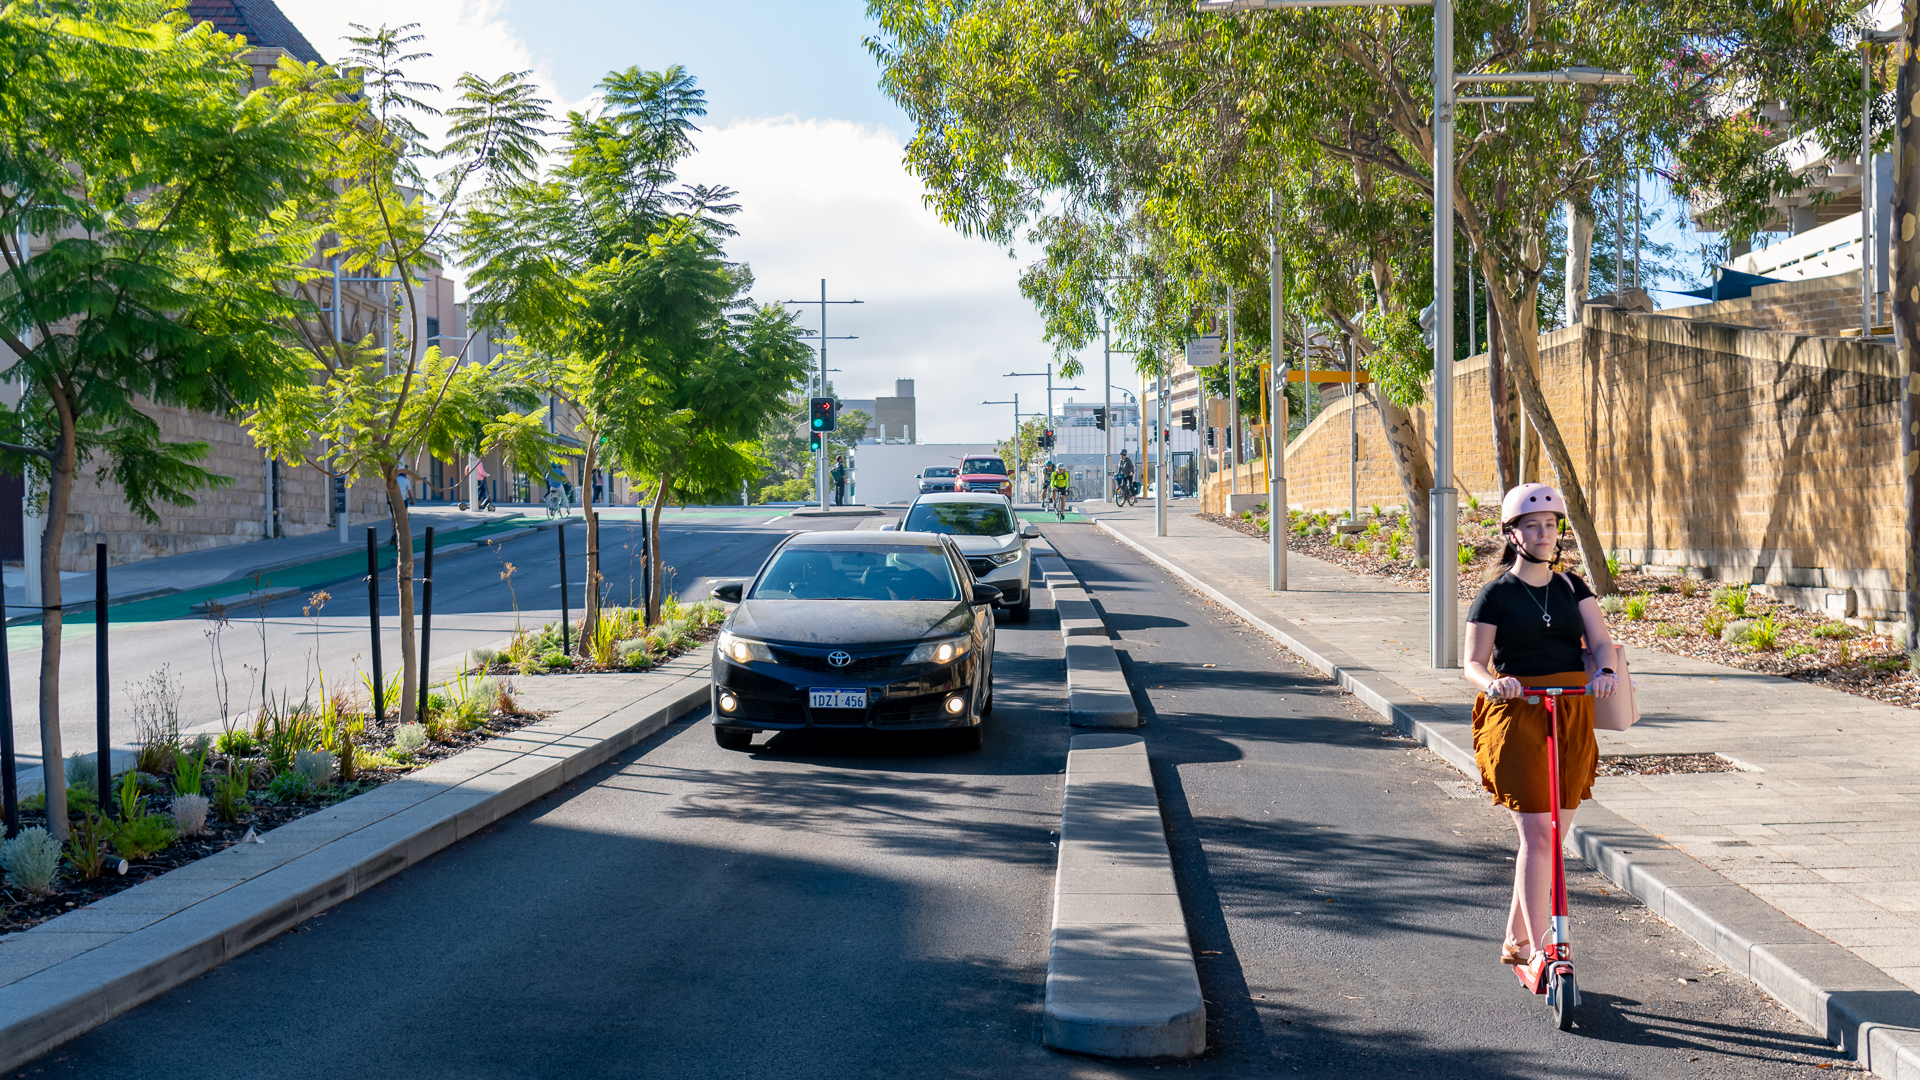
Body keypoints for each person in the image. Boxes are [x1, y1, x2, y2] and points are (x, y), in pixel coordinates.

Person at [1463, 483, 1619, 988]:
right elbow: (1472, 663)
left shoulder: (1573, 588)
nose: (1544, 533)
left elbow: (1600, 643)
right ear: (1512, 533)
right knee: (1536, 835)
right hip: (1519, 714)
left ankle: (1517, 940)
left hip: (1571, 711)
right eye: (1533, 526)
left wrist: (1607, 671)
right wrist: (1495, 683)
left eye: (1551, 525)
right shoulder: (1496, 594)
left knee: (1552, 838)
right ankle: (1544, 950)